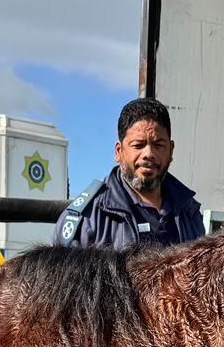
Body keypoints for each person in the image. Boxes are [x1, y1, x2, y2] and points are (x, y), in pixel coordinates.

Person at [51, 97, 204, 248]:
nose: (149, 154)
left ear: (171, 150)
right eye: (138, 145)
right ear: (119, 152)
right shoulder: (87, 219)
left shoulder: (189, 211)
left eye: (159, 145)